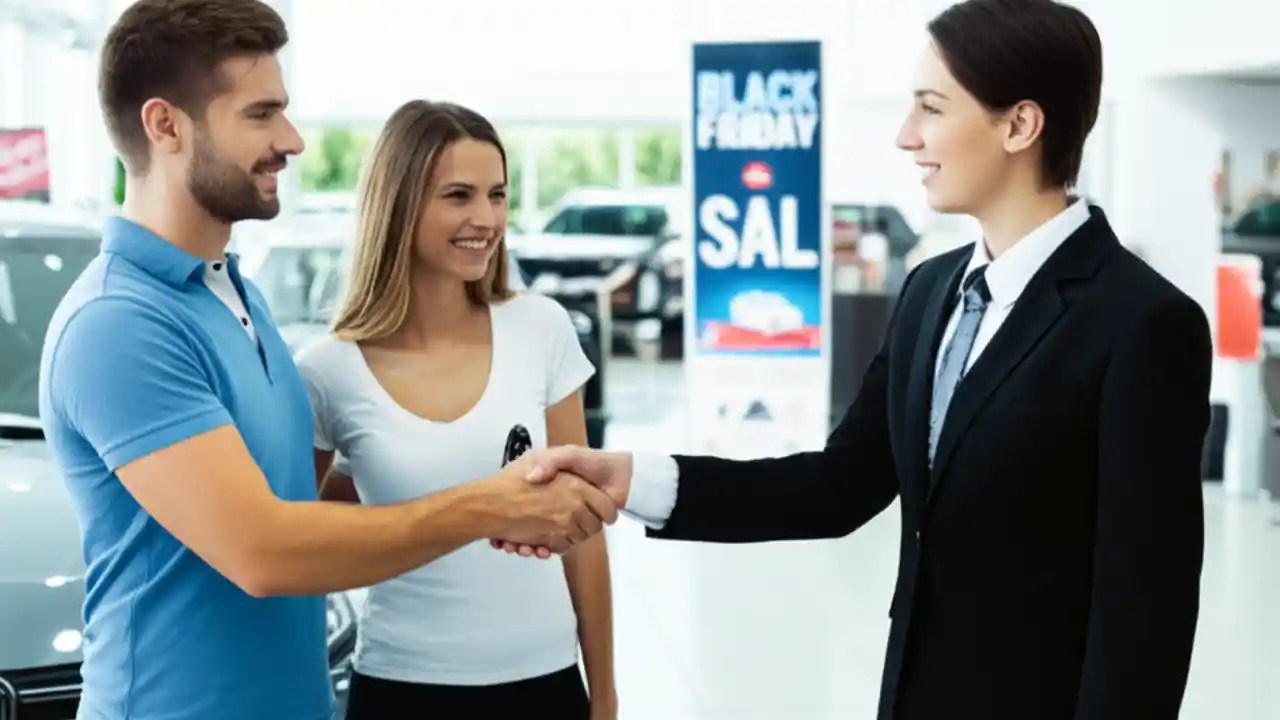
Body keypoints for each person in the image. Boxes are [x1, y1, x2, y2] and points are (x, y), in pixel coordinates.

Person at [505, 1, 1213, 718]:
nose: (907, 137)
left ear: (1020, 125)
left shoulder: (1142, 324)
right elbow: (840, 484)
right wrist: (634, 480)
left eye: (931, 108)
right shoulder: (932, 291)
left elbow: (1144, 613)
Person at [36, 2, 614, 719]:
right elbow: (265, 551)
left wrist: (419, 469)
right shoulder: (118, 324)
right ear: (166, 126)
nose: (293, 140)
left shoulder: (232, 298)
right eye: (261, 114)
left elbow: (298, 498)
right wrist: (490, 503)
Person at [293, 100, 616, 720]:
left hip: (544, 684)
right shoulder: (325, 370)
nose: (486, 218)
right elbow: (296, 544)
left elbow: (586, 537)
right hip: (401, 687)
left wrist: (605, 699)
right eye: (459, 196)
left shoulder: (540, 328)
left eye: (497, 194)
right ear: (400, 203)